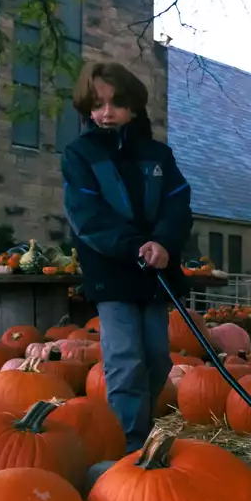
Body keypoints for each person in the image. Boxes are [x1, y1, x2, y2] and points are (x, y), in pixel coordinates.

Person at [60, 61, 192, 454]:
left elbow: (177, 204)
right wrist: (135, 246)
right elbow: (87, 214)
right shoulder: (80, 154)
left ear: (133, 107)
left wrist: (163, 243)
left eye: (115, 103)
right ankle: (128, 447)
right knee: (124, 357)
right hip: (111, 270)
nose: (106, 112)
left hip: (155, 269)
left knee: (157, 357)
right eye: (97, 105)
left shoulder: (158, 155)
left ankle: (140, 424)